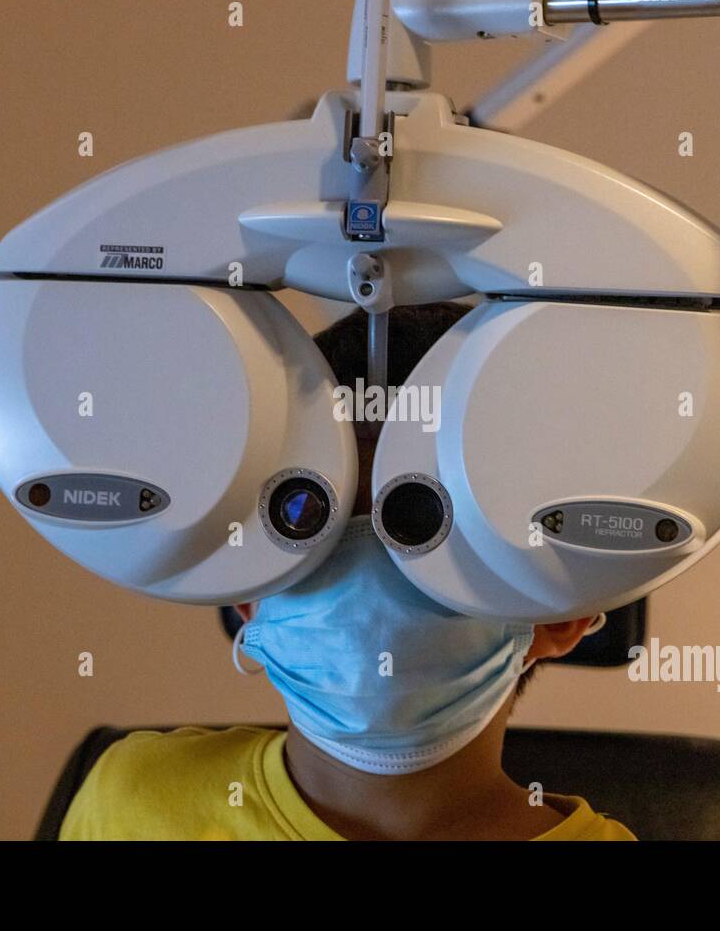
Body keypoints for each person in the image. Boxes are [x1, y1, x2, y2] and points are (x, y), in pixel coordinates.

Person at [60, 303, 635, 841]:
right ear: (246, 586)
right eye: (304, 517)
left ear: (564, 611)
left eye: (429, 521)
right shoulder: (129, 806)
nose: (367, 565)